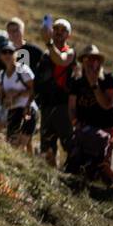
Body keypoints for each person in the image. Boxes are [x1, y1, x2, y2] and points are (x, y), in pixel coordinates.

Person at [65, 44, 113, 185]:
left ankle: (108, 190)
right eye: (87, 59)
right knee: (81, 162)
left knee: (102, 164)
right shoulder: (77, 82)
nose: (91, 62)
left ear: (99, 61)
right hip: (85, 128)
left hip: (105, 129)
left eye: (94, 59)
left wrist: (94, 84)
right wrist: (75, 123)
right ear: (82, 62)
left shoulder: (108, 79)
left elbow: (107, 104)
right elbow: (71, 107)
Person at [34, 18, 75, 167]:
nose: (58, 32)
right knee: (47, 147)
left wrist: (49, 43)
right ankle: (51, 176)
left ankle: (73, 175)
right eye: (56, 29)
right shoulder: (45, 55)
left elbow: (61, 61)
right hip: (46, 106)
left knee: (69, 144)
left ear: (68, 35)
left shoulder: (70, 52)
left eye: (63, 30)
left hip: (63, 106)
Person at [0, 46, 37, 149]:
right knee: (13, 145)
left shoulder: (22, 70)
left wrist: (17, 94)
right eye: (4, 52)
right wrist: (6, 99)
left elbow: (34, 89)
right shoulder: (2, 75)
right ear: (1, 56)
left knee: (23, 143)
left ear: (15, 54)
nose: (7, 55)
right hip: (12, 111)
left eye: (10, 52)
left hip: (26, 109)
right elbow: (1, 97)